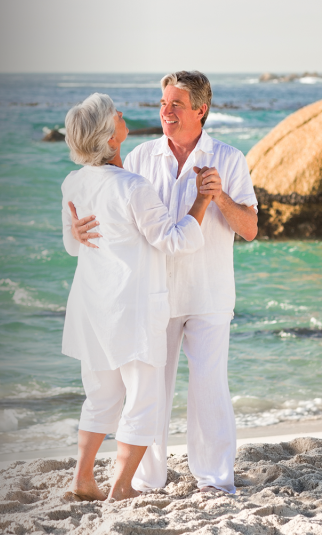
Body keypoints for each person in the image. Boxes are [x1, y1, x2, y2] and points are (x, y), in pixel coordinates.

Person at [68, 71, 258, 494]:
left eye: (176, 104)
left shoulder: (229, 158)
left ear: (200, 110)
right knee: (151, 391)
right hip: (153, 297)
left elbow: (249, 228)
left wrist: (220, 197)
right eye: (162, 103)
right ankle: (145, 479)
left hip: (209, 292)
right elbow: (113, 212)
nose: (166, 112)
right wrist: (78, 233)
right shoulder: (139, 157)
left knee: (209, 389)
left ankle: (214, 480)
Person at [60, 92, 215, 502]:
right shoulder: (133, 187)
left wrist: (76, 232)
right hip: (132, 307)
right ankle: (122, 486)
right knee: (144, 398)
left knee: (101, 395)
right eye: (115, 114)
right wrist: (201, 200)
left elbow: (73, 246)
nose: (122, 113)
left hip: (91, 306)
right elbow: (175, 241)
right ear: (111, 138)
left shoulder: (73, 182)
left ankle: (83, 478)